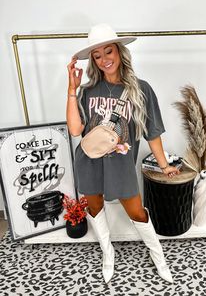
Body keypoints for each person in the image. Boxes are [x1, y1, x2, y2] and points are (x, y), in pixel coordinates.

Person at [66, 23, 180, 284]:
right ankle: (108, 254)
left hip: (121, 164)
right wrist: (72, 89)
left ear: (119, 51)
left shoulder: (141, 90)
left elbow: (153, 132)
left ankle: (158, 257)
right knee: (94, 209)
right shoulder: (86, 91)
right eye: (97, 55)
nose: (104, 59)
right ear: (93, 61)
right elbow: (75, 130)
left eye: (109, 51)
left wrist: (164, 166)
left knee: (138, 212)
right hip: (89, 163)